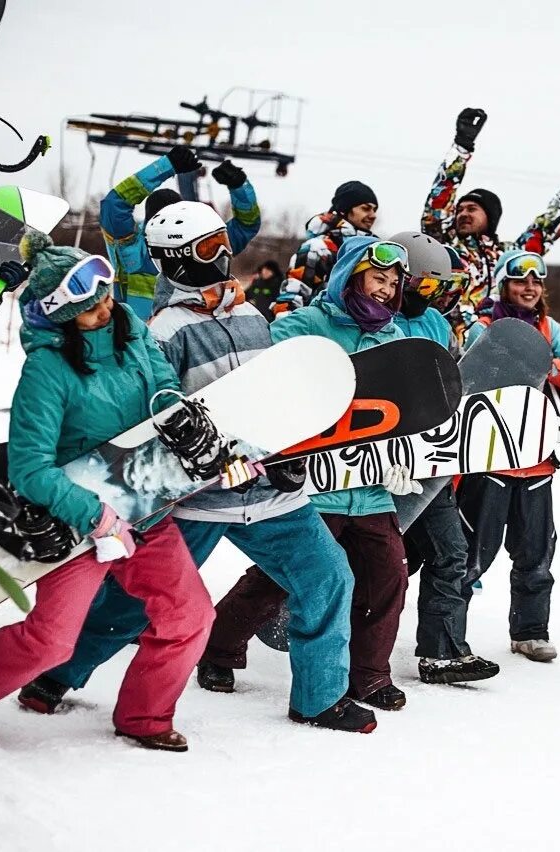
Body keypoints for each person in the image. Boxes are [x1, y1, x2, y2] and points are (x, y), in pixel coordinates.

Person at [15, 201, 372, 733]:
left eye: (223, 242)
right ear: (176, 260)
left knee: (329, 578)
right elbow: (150, 411)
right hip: (198, 497)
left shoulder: (251, 316)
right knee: (135, 604)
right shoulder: (163, 329)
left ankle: (320, 698)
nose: (223, 255)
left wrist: (291, 458)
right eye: (208, 249)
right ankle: (56, 674)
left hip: (270, 496)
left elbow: (274, 399)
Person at [0, 231, 214, 753]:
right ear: (60, 316)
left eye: (104, 294)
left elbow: (168, 397)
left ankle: (146, 716)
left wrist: (192, 430)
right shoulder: (47, 370)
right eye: (88, 306)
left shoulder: (137, 338)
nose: (105, 307)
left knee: (189, 615)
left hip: (144, 511)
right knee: (50, 641)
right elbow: (30, 466)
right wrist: (95, 515)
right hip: (76, 523)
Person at [271, 236, 422, 711]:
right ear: (351, 275)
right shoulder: (304, 326)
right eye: (378, 277)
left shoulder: (394, 340)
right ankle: (221, 645)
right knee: (280, 578)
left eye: (394, 282)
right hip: (316, 486)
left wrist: (404, 457)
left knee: (388, 576)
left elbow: (409, 412)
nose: (386, 289)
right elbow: (265, 383)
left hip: (371, 489)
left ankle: (371, 676)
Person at [456, 250, 560, 663]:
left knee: (536, 554)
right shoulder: (483, 327)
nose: (529, 286)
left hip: (536, 459)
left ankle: (530, 632)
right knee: (468, 556)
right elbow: (469, 370)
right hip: (488, 458)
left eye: (536, 280)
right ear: (503, 285)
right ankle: (446, 635)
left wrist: (546, 363)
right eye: (519, 279)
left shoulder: (550, 329)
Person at [386, 231, 500, 684]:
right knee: (368, 558)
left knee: (452, 552)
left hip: (428, 464)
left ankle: (443, 651)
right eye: (429, 286)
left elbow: (452, 382)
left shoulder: (436, 324)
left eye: (443, 289)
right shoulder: (375, 320)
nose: (436, 297)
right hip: (377, 466)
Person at [421, 107, 560, 332]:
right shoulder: (445, 247)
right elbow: (439, 202)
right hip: (446, 346)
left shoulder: (509, 259)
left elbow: (547, 226)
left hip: (492, 351)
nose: (463, 214)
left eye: (472, 209)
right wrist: (462, 147)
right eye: (459, 210)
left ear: (490, 218)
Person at [100, 145, 260, 321]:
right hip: (175, 338)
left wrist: (166, 166)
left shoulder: (131, 250)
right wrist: (239, 187)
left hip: (160, 338)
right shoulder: (201, 247)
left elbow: (113, 205)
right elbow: (246, 225)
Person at [278, 181, 379, 312]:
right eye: (366, 208)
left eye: (374, 210)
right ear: (345, 210)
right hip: (320, 328)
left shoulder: (373, 250)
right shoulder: (318, 248)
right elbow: (292, 296)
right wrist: (291, 328)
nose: (373, 215)